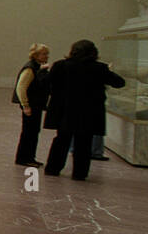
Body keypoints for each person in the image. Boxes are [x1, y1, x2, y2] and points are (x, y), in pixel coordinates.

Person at [43, 39, 126, 181]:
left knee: (61, 140)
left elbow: (46, 83)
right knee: (84, 143)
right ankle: (79, 173)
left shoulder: (60, 66)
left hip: (65, 111)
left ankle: (53, 168)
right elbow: (119, 83)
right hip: (88, 113)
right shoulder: (99, 68)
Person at [12, 43, 51, 166]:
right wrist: (25, 105)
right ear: (36, 55)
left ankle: (29, 157)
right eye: (44, 54)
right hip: (31, 105)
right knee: (29, 132)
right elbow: (21, 87)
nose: (46, 56)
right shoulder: (30, 68)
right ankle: (24, 158)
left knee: (33, 132)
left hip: (35, 104)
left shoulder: (37, 67)